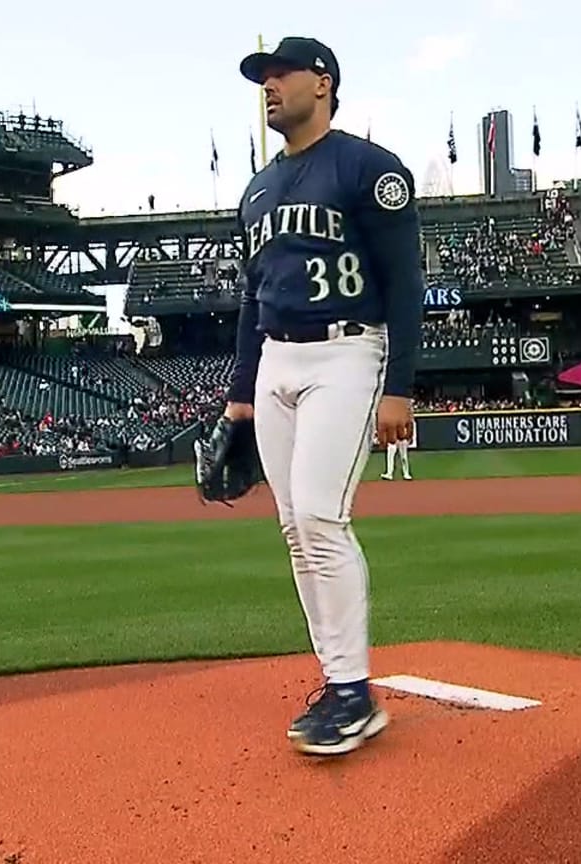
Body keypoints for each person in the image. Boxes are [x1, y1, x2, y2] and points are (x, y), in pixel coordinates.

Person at [224, 36, 425, 756]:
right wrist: (239, 399)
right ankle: (340, 680)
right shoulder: (256, 188)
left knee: (318, 515)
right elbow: (253, 298)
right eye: (262, 78)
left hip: (348, 349)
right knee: (294, 528)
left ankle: (353, 692)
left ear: (324, 81)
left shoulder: (368, 168)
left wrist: (398, 386)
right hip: (276, 357)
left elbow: (406, 284)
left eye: (280, 74)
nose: (269, 86)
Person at [380, 415, 415, 480]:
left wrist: (408, 436)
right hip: (392, 439)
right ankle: (389, 473)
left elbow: (410, 425)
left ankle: (406, 473)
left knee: (403, 457)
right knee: (390, 456)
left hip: (402, 438)